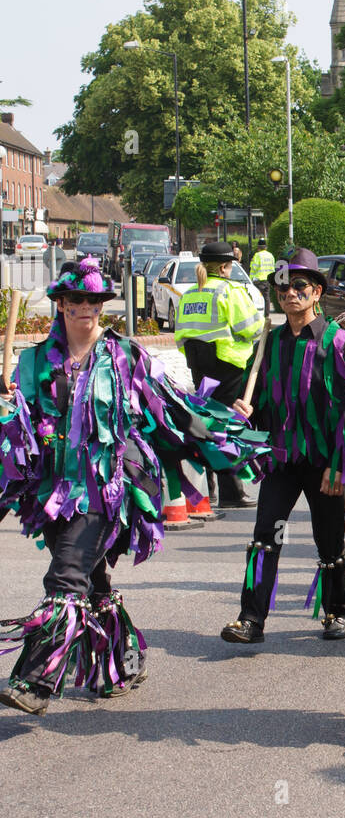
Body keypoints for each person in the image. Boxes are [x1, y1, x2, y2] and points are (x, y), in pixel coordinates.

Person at [0, 258, 264, 715]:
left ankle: (35, 680)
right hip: (52, 494)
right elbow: (24, 427)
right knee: (92, 581)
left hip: (105, 491)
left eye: (95, 301)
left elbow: (174, 408)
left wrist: (225, 427)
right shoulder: (34, 360)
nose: (86, 308)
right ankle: (123, 660)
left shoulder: (124, 355)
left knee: (65, 579)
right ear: (61, 304)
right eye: (77, 300)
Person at [220, 246, 345, 646]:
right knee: (266, 536)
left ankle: (338, 610)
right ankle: (251, 618)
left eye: (300, 286)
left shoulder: (337, 343)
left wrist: (340, 465)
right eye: (283, 286)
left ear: (317, 292)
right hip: (282, 462)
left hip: (324, 463)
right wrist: (247, 414)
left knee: (329, 541)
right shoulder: (269, 344)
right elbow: (263, 406)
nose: (290, 293)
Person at [174, 240, 264, 508]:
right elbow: (251, 328)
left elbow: (181, 335)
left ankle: (210, 489)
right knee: (225, 425)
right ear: (226, 267)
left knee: (207, 422)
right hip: (229, 364)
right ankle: (231, 491)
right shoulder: (229, 291)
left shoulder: (189, 294)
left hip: (199, 367)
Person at [249, 238, 276, 309]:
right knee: (266, 297)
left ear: (258, 247)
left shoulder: (257, 255)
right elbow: (273, 267)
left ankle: (259, 314)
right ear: (266, 247)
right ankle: (266, 315)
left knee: (257, 298)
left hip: (258, 279)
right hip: (268, 279)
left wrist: (252, 262)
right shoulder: (270, 255)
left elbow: (254, 267)